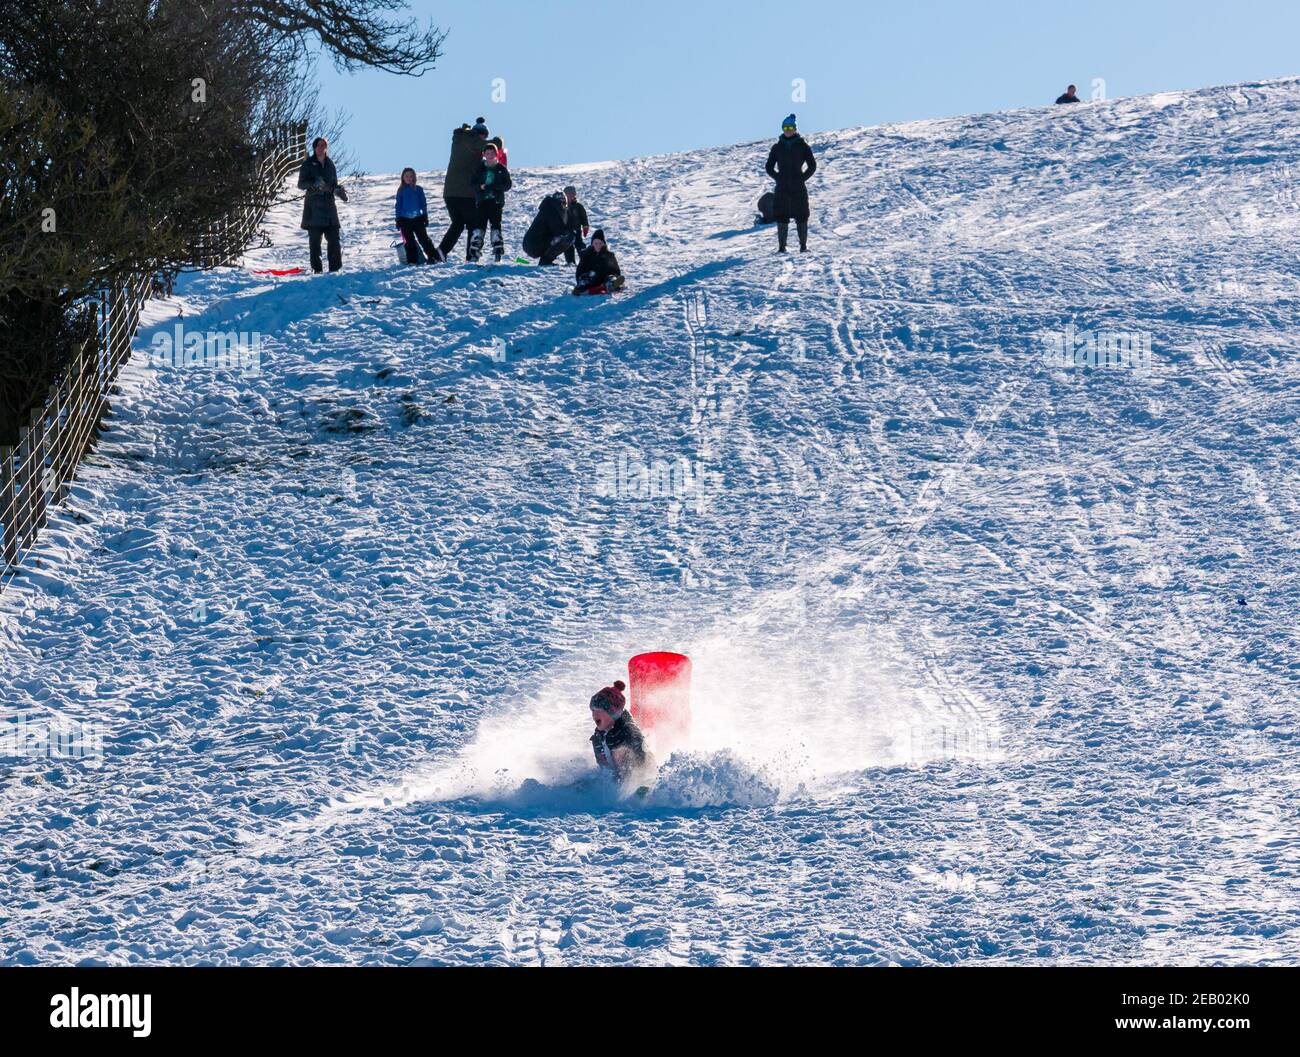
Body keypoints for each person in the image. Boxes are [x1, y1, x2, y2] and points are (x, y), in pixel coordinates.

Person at [764, 114, 816, 254]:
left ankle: (803, 246)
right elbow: (769, 166)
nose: (788, 130)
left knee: (802, 215)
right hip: (782, 188)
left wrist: (802, 178)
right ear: (782, 129)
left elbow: (812, 165)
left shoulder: (803, 146)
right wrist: (778, 178)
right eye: (785, 127)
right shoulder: (777, 147)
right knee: (781, 215)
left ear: (795, 129)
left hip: (798, 187)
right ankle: (782, 248)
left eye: (790, 127)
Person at [439, 120, 489, 260]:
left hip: (450, 193)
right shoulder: (472, 141)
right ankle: (471, 255)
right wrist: (499, 140)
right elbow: (490, 146)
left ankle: (441, 251)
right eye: (484, 136)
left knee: (458, 223)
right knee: (473, 223)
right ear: (480, 135)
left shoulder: (459, 140)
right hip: (465, 193)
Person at [298, 136, 349, 273]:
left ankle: (335, 270)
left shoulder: (330, 164)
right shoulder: (308, 164)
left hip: (329, 209)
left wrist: (339, 190)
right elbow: (301, 184)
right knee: (315, 243)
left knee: (334, 241)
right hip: (313, 208)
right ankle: (317, 271)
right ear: (314, 148)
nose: (321, 148)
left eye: (323, 145)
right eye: (319, 145)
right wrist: (314, 183)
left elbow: (333, 184)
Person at [589, 680, 648, 783]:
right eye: (592, 710)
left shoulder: (628, 732)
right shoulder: (599, 735)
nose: (594, 715)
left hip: (635, 777)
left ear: (612, 713)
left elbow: (644, 761)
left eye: (598, 710)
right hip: (615, 776)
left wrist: (642, 783)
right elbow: (604, 770)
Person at [468, 142, 512, 262]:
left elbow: (508, 184)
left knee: (495, 224)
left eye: (492, 153)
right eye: (487, 153)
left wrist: (496, 186)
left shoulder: (501, 168)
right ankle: (475, 248)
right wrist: (480, 187)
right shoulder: (480, 168)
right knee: (480, 224)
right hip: (482, 201)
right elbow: (472, 184)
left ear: (496, 154)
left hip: (496, 201)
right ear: (484, 154)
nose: (490, 155)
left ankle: (497, 246)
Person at [394, 167, 440, 264]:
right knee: (409, 242)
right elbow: (398, 206)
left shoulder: (418, 189)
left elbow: (423, 203)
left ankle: (433, 257)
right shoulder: (401, 191)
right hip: (404, 220)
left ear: (414, 177)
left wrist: (425, 215)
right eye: (407, 176)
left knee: (424, 239)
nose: (409, 178)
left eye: (411, 176)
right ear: (403, 177)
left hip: (418, 219)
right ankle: (412, 261)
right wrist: (398, 219)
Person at [522, 191, 575, 265]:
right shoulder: (552, 211)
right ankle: (546, 262)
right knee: (568, 237)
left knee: (567, 236)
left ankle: (547, 261)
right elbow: (559, 231)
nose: (565, 207)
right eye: (564, 204)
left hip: (531, 244)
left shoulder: (550, 208)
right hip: (534, 244)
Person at [573, 229, 624, 295]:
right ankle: (581, 287)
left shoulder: (609, 255)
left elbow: (616, 270)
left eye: (600, 243)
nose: (598, 245)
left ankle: (612, 285)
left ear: (604, 244)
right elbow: (579, 270)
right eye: (596, 243)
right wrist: (579, 280)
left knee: (611, 277)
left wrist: (615, 276)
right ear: (592, 244)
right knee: (590, 275)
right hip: (591, 279)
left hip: (603, 280)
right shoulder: (587, 255)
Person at [562, 185, 589, 265]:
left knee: (580, 245)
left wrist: (585, 226)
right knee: (568, 247)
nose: (570, 196)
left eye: (572, 194)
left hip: (576, 229)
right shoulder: (562, 206)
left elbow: (584, 217)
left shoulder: (578, 206)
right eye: (567, 195)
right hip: (566, 231)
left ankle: (585, 261)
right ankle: (570, 262)